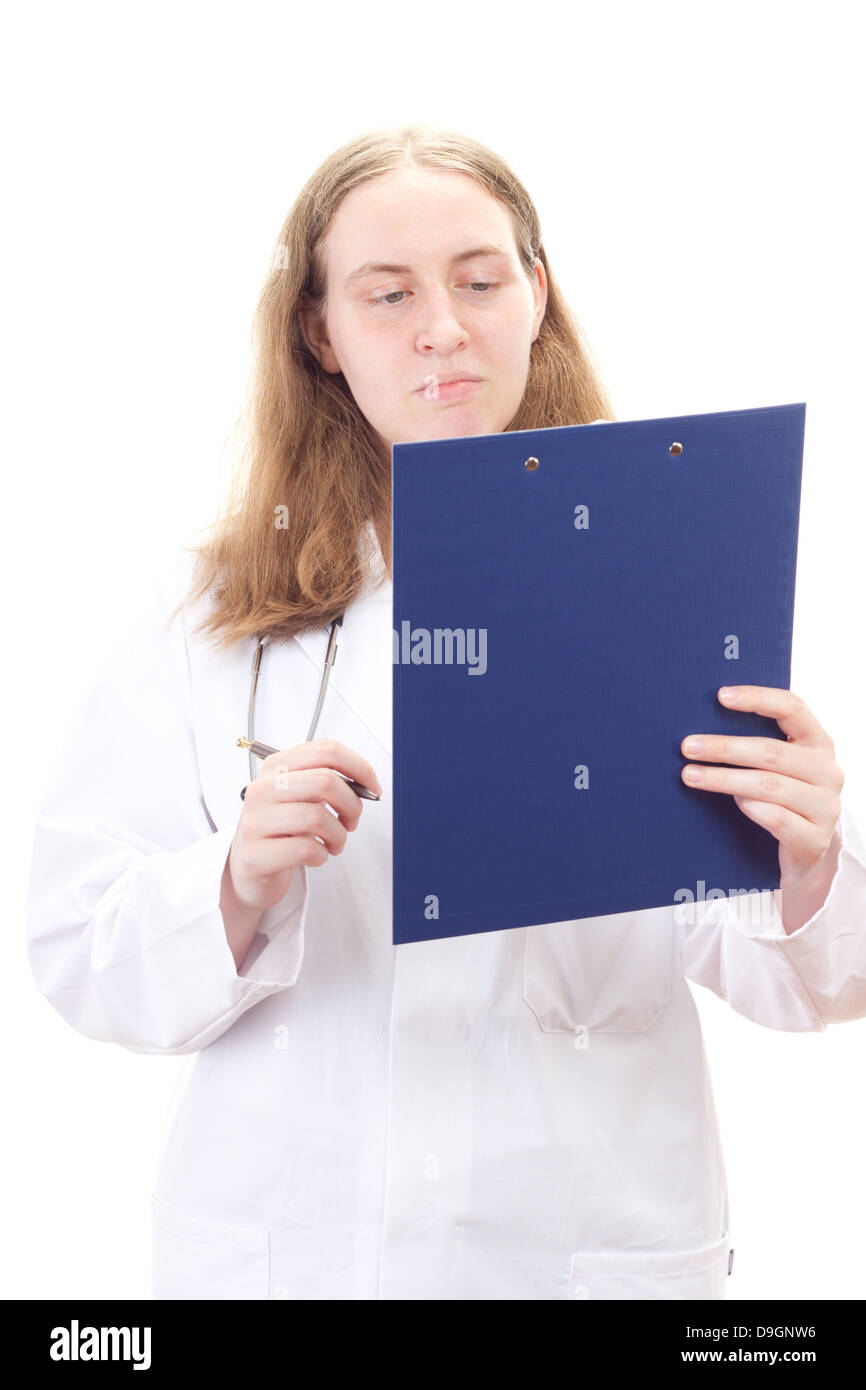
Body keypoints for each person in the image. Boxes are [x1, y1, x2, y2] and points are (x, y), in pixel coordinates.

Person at [25, 125, 866, 1302]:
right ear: (319, 331)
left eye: (479, 279)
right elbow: (74, 951)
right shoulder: (206, 611)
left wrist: (808, 856)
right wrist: (233, 881)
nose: (442, 327)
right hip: (290, 1250)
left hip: (581, 1246)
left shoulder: (665, 573)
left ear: (535, 292)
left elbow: (807, 983)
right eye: (388, 293)